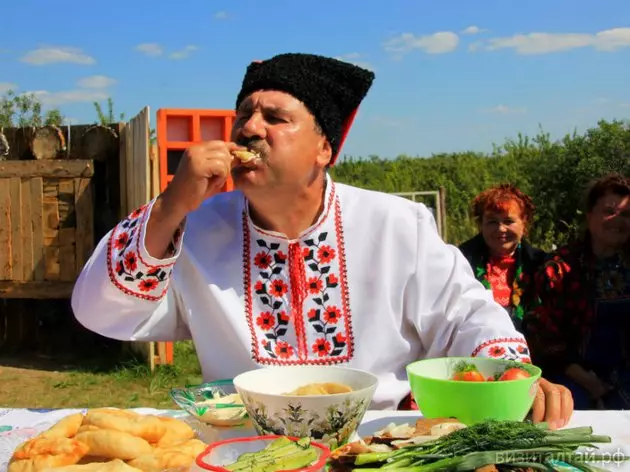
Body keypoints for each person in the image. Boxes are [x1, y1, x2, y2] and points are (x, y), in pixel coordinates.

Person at [71, 52, 572, 427]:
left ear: (323, 149)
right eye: (244, 115)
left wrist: (511, 375)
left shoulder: (396, 224)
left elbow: (467, 315)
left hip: (375, 443)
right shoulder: (195, 228)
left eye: (275, 118)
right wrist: (171, 206)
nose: (249, 128)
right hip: (243, 444)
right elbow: (99, 311)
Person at [524, 173, 630, 410]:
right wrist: (587, 380)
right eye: (609, 211)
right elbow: (541, 334)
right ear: (590, 215)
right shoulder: (558, 268)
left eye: (626, 214)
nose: (618, 220)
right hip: (569, 374)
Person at [459, 184, 546, 332]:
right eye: (492, 222)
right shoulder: (460, 263)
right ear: (481, 224)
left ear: (524, 223)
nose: (501, 229)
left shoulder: (540, 265)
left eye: (508, 221)